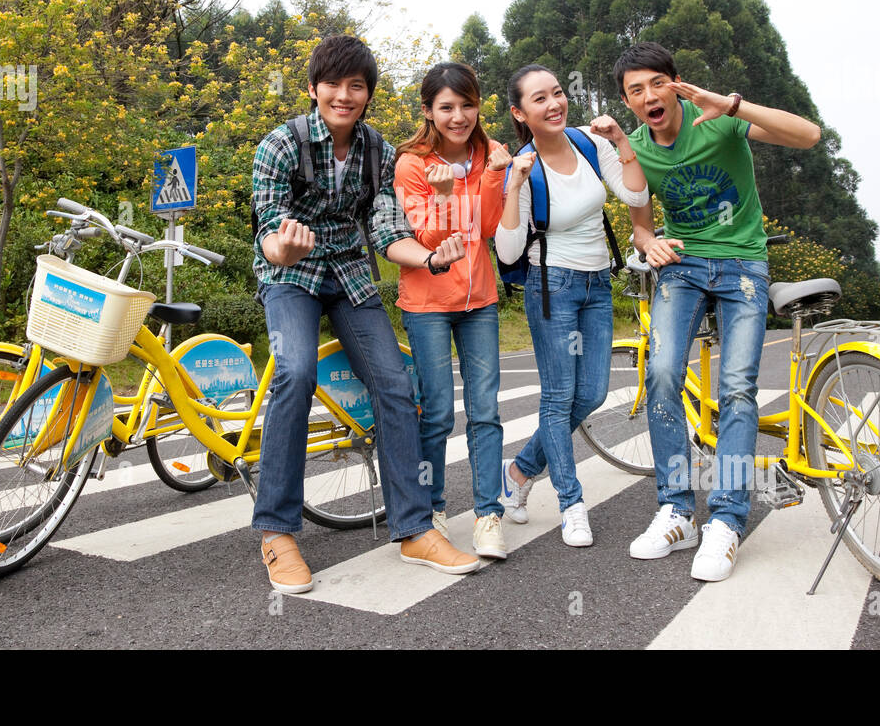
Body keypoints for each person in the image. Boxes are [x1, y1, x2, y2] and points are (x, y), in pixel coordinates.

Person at [251, 34, 481, 594]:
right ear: (313, 89)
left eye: (357, 86)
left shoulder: (378, 150)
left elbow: (384, 228)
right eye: (334, 84)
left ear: (368, 95)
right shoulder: (279, 146)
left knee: (397, 385)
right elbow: (267, 225)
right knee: (295, 371)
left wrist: (427, 257)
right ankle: (278, 532)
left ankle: (414, 528)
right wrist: (281, 247)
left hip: (350, 276)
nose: (344, 95)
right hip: (291, 278)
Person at [616, 41, 820, 582]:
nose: (648, 96)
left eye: (656, 84)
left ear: (676, 84)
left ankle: (726, 520)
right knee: (660, 373)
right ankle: (677, 510)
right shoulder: (636, 147)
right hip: (681, 268)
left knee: (736, 386)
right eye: (635, 90)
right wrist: (647, 244)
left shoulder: (719, 121)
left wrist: (732, 104)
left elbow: (809, 135)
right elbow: (640, 223)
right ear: (628, 101)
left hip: (743, 266)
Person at [494, 65, 650, 546]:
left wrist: (623, 140)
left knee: (593, 394)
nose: (554, 104)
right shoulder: (522, 165)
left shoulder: (590, 144)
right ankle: (571, 502)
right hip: (552, 285)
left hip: (598, 281)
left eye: (558, 93)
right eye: (539, 99)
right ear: (521, 113)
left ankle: (518, 473)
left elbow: (635, 192)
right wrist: (515, 185)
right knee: (560, 397)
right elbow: (505, 249)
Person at [394, 61, 512, 559]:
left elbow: (486, 228)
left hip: (480, 299)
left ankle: (489, 515)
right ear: (428, 111)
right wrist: (442, 195)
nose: (459, 116)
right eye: (447, 107)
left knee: (485, 411)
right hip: (426, 303)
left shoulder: (488, 152)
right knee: (437, 412)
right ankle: (433, 509)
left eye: (467, 104)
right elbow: (428, 241)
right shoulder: (412, 163)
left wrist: (495, 175)